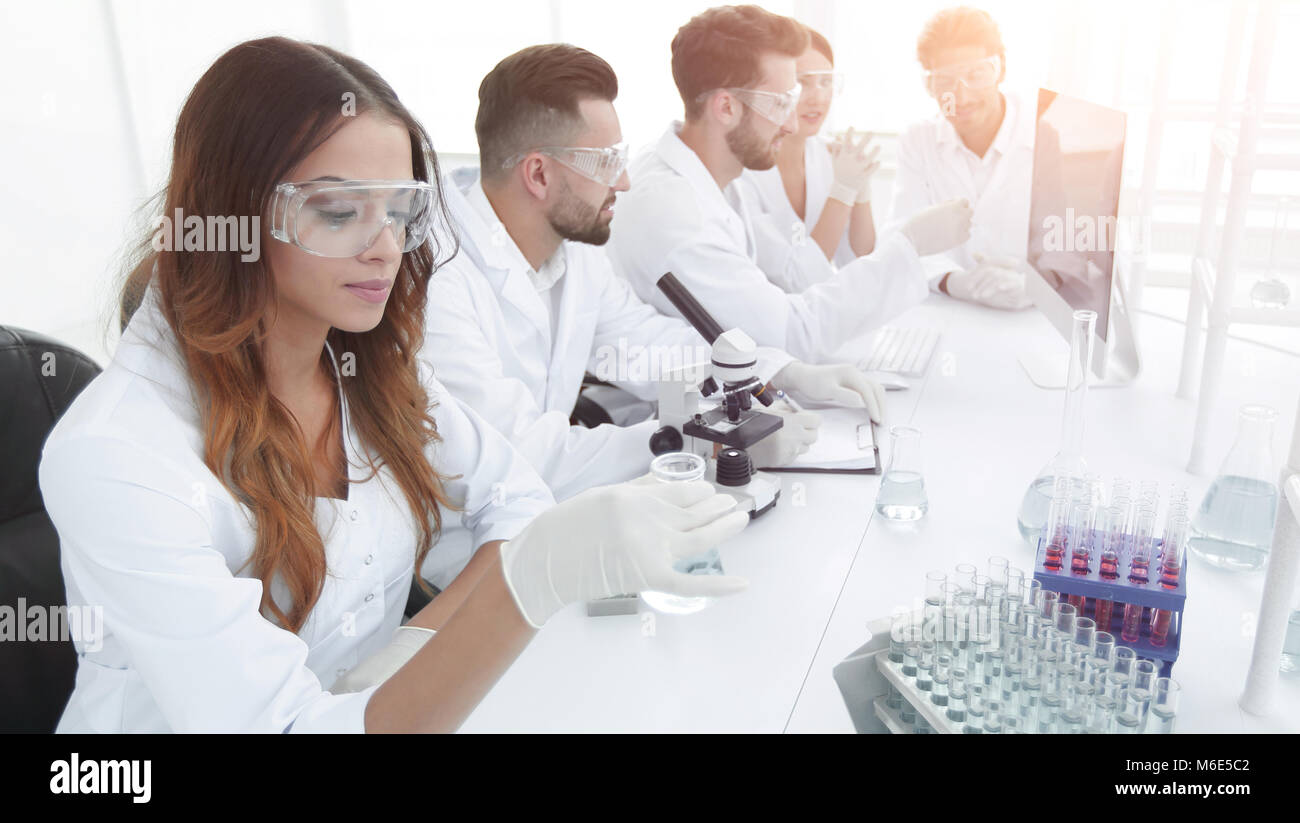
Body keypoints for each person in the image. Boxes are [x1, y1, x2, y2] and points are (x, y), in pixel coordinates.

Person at [37, 37, 747, 734]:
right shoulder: (118, 453)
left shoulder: (365, 367)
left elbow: (517, 494)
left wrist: (404, 657)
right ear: (235, 215)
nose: (382, 245)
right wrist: (519, 591)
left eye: (400, 211)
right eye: (340, 212)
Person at [420, 43, 886, 565]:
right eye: (606, 162)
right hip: (462, 554)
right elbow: (519, 454)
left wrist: (779, 370)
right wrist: (706, 444)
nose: (623, 180)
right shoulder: (438, 280)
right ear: (538, 174)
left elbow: (641, 340)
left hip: (545, 518)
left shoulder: (572, 249)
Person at [607, 4, 973, 365]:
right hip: (664, 405)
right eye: (781, 103)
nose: (792, 125)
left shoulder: (712, 179)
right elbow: (789, 332)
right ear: (726, 107)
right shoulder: (674, 210)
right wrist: (910, 244)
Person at [886, 6, 1035, 310]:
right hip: (947, 308)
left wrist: (1038, 287)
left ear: (1000, 69)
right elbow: (900, 239)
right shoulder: (918, 141)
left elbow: (1087, 257)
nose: (962, 97)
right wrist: (955, 282)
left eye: (975, 75)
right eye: (945, 80)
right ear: (930, 85)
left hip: (1032, 318)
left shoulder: (1050, 135)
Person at [736, 25, 879, 276]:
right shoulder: (743, 171)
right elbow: (794, 277)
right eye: (802, 83)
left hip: (820, 306)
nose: (819, 98)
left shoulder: (831, 156)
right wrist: (843, 191)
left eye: (826, 82)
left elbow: (859, 260)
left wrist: (860, 192)